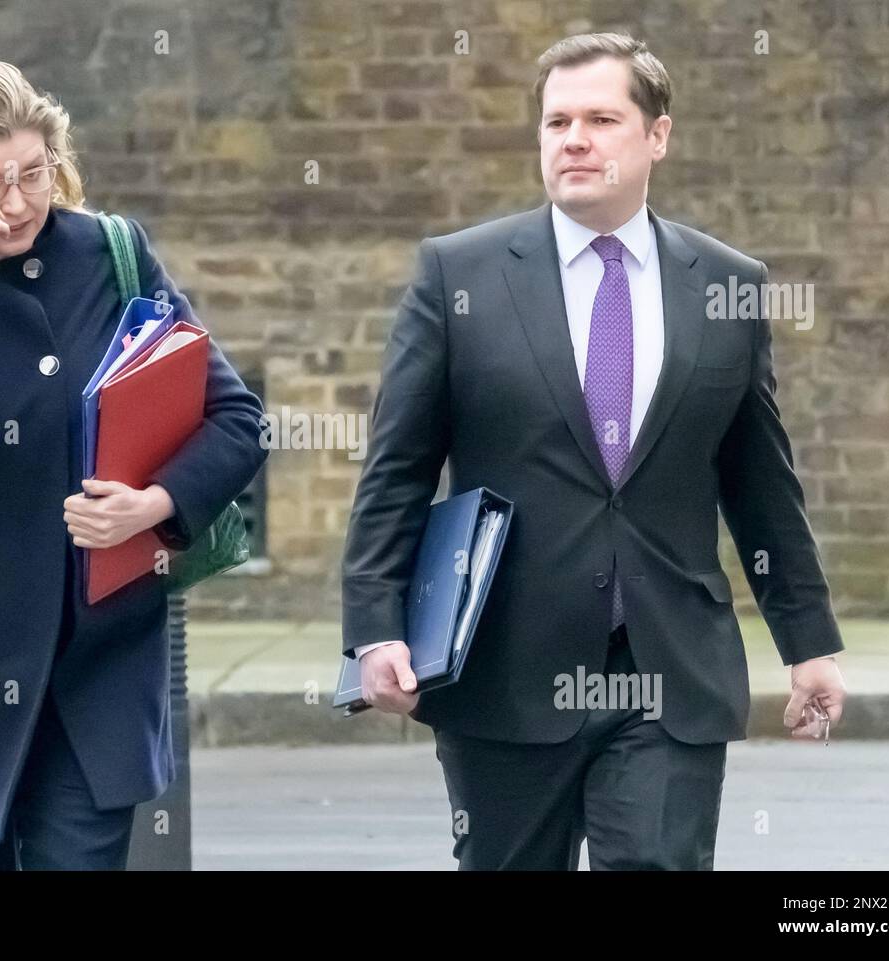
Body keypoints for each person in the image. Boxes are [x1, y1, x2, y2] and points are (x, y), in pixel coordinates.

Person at [340, 33, 847, 870]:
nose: (573, 138)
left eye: (601, 118)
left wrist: (809, 642)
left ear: (657, 136)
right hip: (504, 670)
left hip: (667, 671)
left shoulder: (728, 284)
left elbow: (760, 482)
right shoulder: (456, 276)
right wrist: (374, 630)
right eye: (556, 121)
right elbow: (395, 469)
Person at [0, 59, 267, 869]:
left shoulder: (110, 251)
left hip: (92, 675)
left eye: (33, 173)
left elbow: (236, 419)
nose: (20, 202)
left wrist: (154, 503)